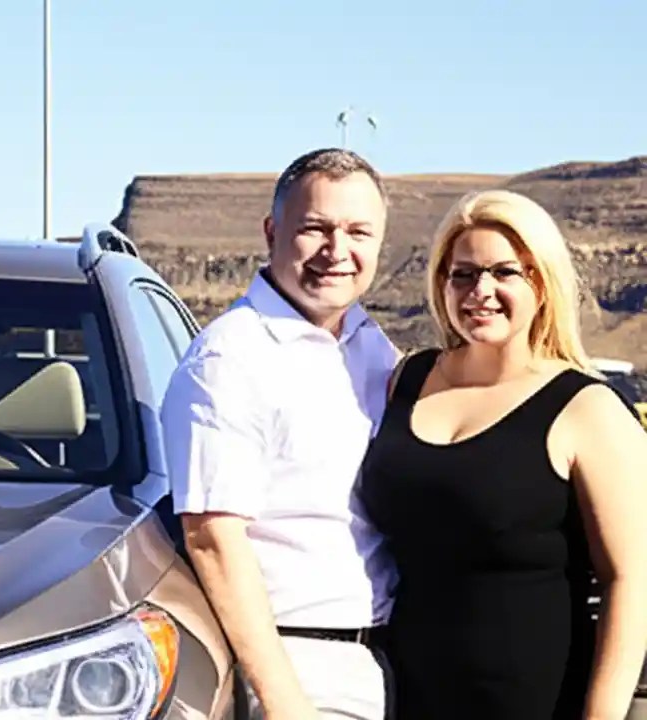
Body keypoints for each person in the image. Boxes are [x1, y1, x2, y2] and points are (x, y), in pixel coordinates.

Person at [356, 189, 647, 719]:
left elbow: (629, 580)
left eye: (504, 272)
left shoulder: (587, 409)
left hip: (533, 700)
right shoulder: (408, 379)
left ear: (542, 281)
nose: (480, 292)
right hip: (400, 695)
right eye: (462, 274)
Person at [161, 147, 400, 719]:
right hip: (298, 666)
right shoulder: (230, 358)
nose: (336, 251)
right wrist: (284, 703)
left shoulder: (373, 348)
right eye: (315, 228)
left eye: (358, 232)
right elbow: (212, 539)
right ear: (272, 233)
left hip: (387, 660)